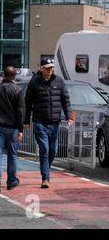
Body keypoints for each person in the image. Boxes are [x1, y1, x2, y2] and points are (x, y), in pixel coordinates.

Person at [24, 58, 73, 189]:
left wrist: (69, 116)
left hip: (55, 122)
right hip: (39, 121)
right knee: (44, 149)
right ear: (41, 68)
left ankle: (46, 167)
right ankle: (45, 178)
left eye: (51, 68)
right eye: (47, 68)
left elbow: (65, 100)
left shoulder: (59, 81)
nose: (50, 71)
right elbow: (27, 102)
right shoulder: (34, 82)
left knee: (53, 150)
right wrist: (26, 121)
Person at [0, 66, 24, 194]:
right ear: (14, 76)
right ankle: (11, 181)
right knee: (12, 155)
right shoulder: (18, 90)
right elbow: (20, 111)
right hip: (12, 128)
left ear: (3, 75)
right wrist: (20, 128)